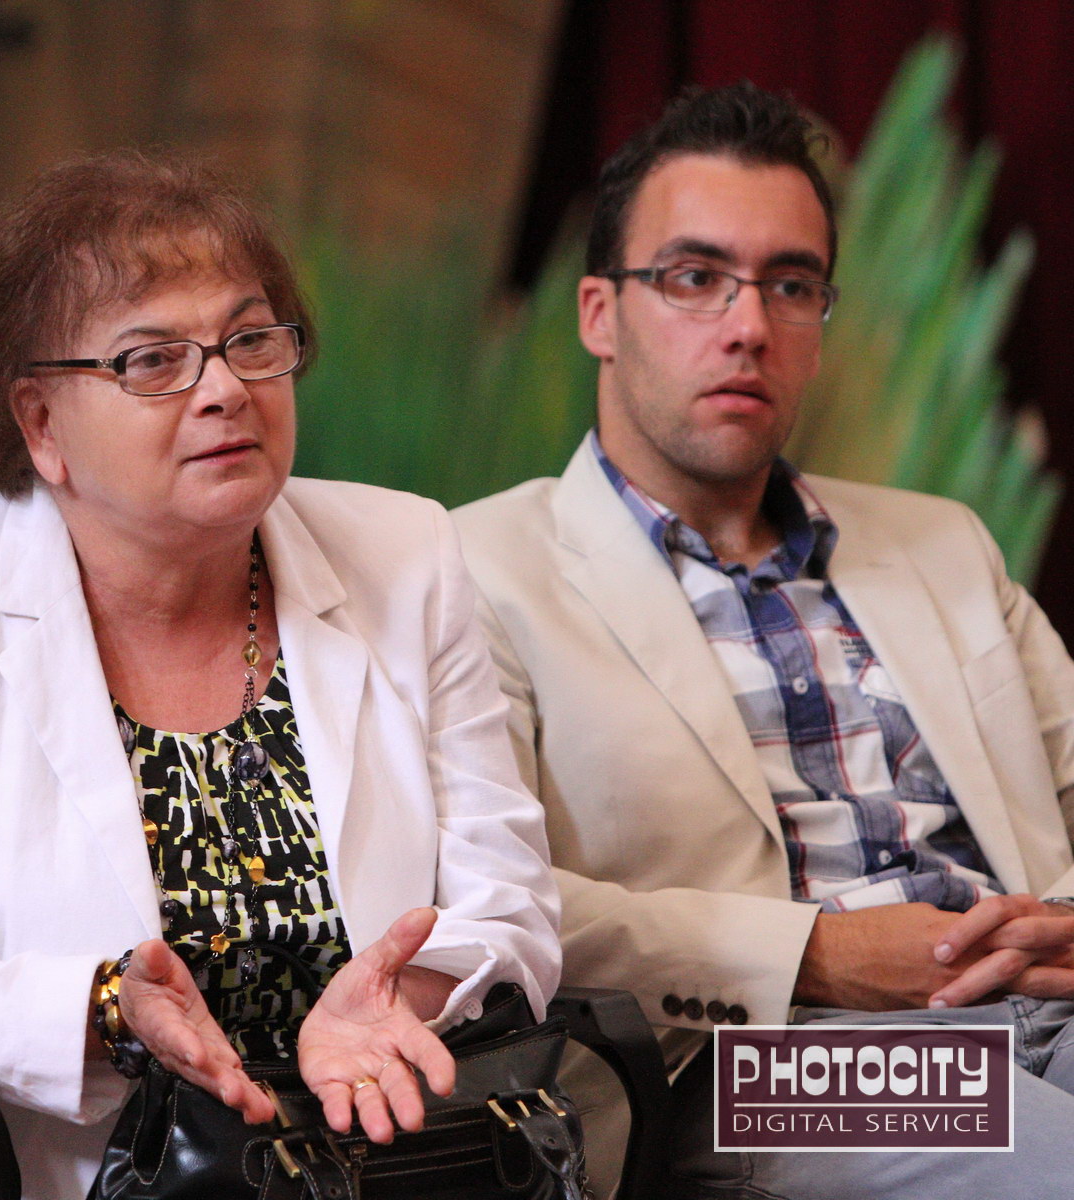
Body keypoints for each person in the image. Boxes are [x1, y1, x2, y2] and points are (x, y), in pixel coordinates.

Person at [0, 149, 561, 1199]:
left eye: (250, 340)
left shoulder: (405, 554)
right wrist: (100, 1012)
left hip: (397, 1168)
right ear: (41, 426)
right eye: (153, 361)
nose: (226, 388)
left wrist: (405, 992)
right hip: (86, 1178)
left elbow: (510, 899)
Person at [453, 82, 1074, 1198]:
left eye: (790, 286)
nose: (748, 324)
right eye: (695, 278)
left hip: (1044, 1010)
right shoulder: (474, 568)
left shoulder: (942, 544)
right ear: (600, 312)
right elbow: (493, 900)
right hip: (748, 1059)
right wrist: (816, 954)